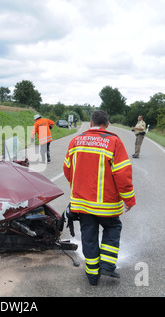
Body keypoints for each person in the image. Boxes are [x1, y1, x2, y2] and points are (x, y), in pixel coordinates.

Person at [63, 110, 136, 286]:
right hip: (107, 204)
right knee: (112, 229)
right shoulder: (114, 142)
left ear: (90, 123)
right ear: (107, 124)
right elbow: (122, 174)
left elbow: (67, 169)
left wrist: (78, 188)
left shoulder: (76, 141)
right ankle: (108, 265)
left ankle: (92, 276)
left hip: (82, 203)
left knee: (88, 235)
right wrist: (129, 199)